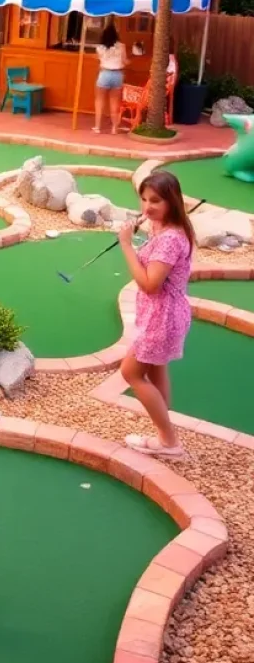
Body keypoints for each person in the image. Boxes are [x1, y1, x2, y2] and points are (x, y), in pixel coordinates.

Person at [119, 171, 195, 459]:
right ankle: (163, 429)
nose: (147, 207)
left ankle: (169, 442)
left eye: (155, 201)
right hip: (162, 313)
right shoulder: (163, 227)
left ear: (171, 201)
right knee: (155, 369)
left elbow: (150, 284)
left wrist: (127, 245)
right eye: (144, 199)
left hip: (161, 318)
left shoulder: (170, 239)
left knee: (130, 372)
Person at [93, 23, 125, 134]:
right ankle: (114, 128)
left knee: (99, 101)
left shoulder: (99, 48)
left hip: (104, 73)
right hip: (117, 74)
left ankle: (97, 127)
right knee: (114, 102)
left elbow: (100, 61)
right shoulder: (121, 46)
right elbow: (124, 61)